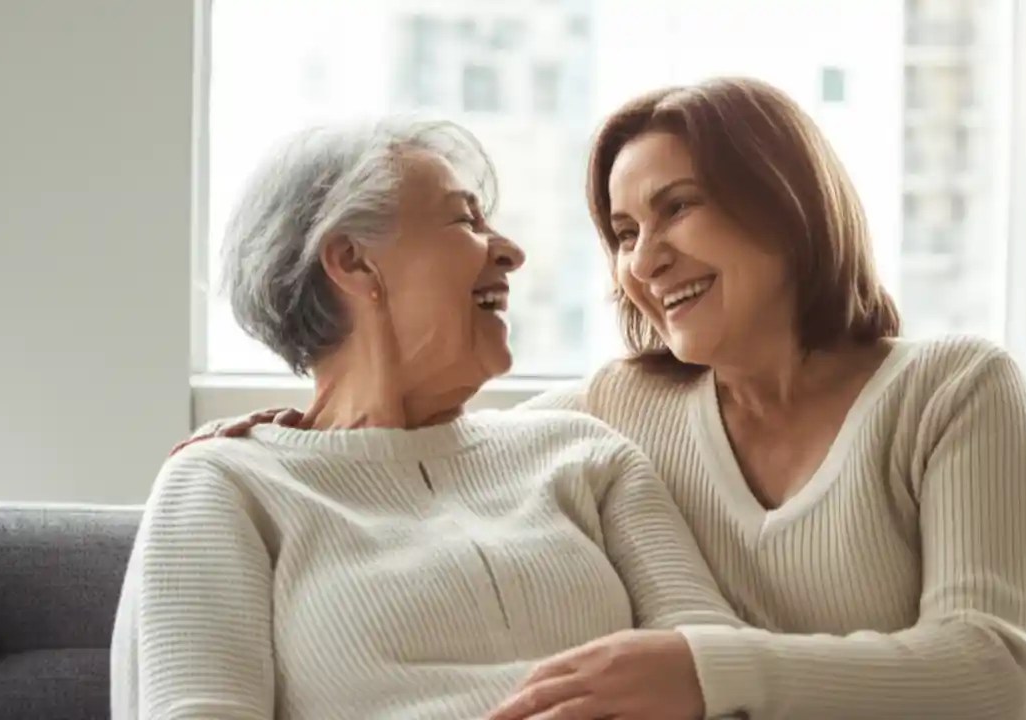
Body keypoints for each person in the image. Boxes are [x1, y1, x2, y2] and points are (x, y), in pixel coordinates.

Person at [193, 79, 1026, 720]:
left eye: (678, 208)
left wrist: (704, 670)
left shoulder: (954, 387)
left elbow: (993, 672)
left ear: (785, 203)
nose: (644, 260)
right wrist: (286, 436)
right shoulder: (622, 408)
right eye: (623, 233)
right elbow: (419, 449)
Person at [110, 118, 743, 720]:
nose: (512, 253)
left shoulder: (583, 450)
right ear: (354, 262)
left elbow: (730, 678)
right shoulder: (225, 485)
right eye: (465, 219)